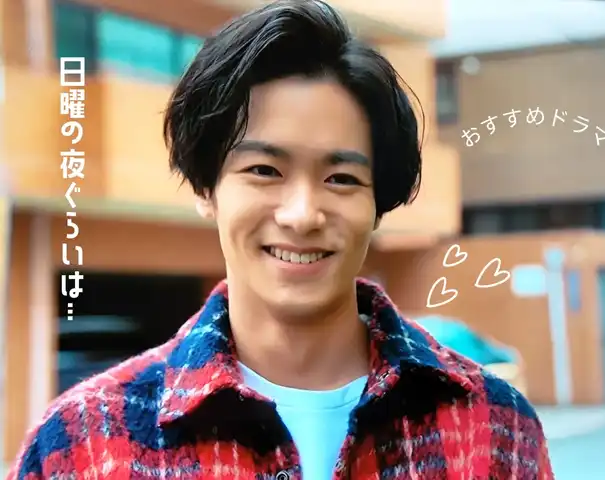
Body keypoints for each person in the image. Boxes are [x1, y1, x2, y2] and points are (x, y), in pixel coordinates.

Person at [9, 1, 554, 479]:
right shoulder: (83, 443)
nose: (302, 214)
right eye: (264, 170)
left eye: (341, 178)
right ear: (206, 189)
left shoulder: (494, 426)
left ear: (378, 203)